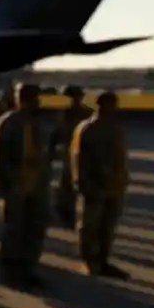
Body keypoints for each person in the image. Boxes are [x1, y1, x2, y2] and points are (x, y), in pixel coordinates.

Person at [0, 83, 51, 288]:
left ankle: (28, 268)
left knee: (35, 228)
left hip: (37, 184)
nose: (34, 101)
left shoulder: (39, 122)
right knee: (14, 230)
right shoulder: (9, 122)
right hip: (15, 183)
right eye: (29, 97)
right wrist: (4, 183)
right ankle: (11, 271)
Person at [71, 91, 129, 279]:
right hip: (94, 186)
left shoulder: (116, 128)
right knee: (90, 227)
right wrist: (82, 183)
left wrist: (123, 179)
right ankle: (89, 262)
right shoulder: (87, 128)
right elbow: (78, 158)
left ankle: (103, 261)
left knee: (107, 226)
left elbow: (121, 157)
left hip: (114, 186)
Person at [50, 85, 92, 229]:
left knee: (77, 185)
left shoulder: (87, 114)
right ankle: (67, 213)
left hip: (83, 155)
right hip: (71, 153)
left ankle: (74, 215)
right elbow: (56, 134)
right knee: (67, 186)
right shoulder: (65, 114)